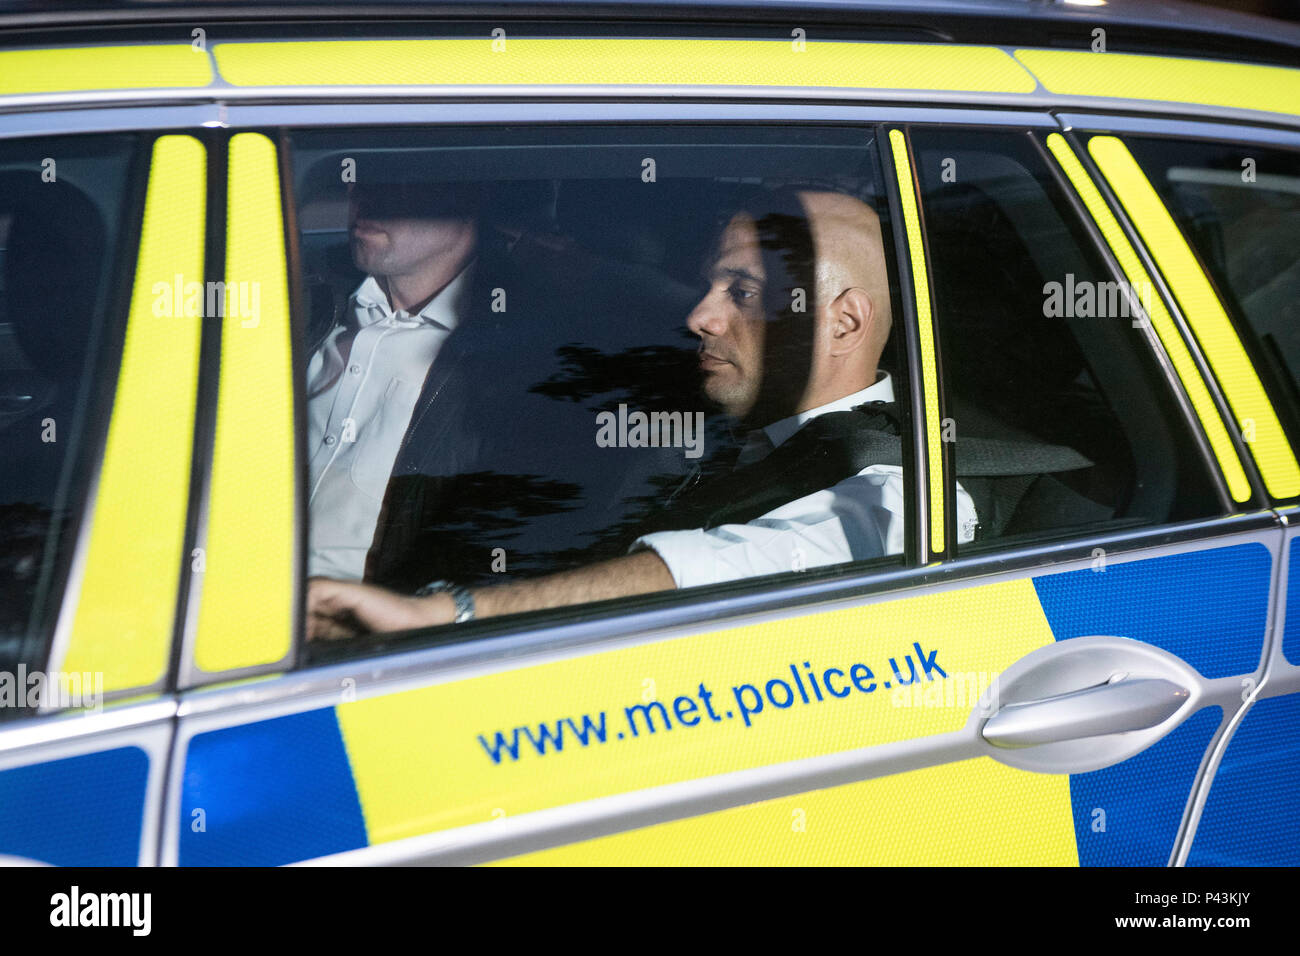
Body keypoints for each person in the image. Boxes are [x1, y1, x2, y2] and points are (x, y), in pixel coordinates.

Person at [307, 186, 981, 640]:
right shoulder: (709, 437)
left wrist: (443, 615)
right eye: (710, 285)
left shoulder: (907, 496)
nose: (700, 316)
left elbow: (725, 566)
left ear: (843, 322)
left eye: (743, 291)